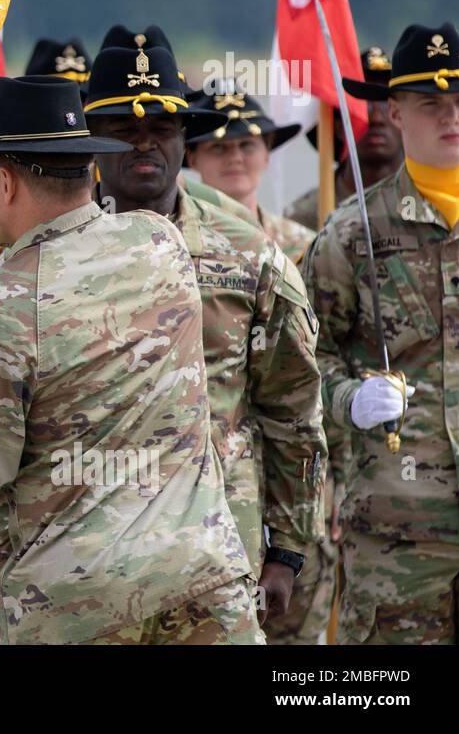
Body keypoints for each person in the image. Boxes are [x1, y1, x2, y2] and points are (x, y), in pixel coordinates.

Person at [0, 75, 259, 644]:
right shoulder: (160, 243)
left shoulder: (0, 311)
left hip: (77, 607)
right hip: (203, 581)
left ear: (7, 183)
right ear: (89, 166)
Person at [84, 43, 326, 625]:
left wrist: (287, 552)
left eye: (162, 126)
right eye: (123, 127)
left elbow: (291, 410)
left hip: (215, 554)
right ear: (91, 137)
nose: (144, 141)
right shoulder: (52, 256)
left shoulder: (251, 258)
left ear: (183, 139)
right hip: (84, 562)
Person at [304, 22, 459, 644]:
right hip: (399, 537)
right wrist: (351, 400)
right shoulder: (351, 236)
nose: (451, 117)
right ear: (394, 111)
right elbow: (299, 368)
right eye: (431, 104)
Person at [184, 77, 313, 263]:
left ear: (267, 154)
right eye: (218, 147)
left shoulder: (303, 245)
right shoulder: (174, 240)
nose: (235, 158)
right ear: (192, 158)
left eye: (246, 145)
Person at [286, 47, 403, 232]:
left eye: (385, 103)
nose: (375, 118)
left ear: (405, 118)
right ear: (338, 125)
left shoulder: (434, 205)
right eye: (360, 104)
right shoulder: (303, 218)